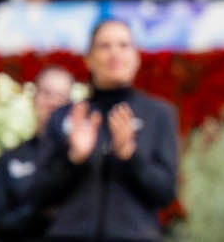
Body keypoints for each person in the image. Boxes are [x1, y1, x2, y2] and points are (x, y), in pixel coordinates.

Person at [35, 19, 178, 241]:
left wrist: (130, 156)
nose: (114, 54)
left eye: (123, 45)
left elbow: (165, 193)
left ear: (136, 57)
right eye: (104, 46)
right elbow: (39, 193)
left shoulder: (158, 114)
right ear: (89, 59)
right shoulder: (66, 116)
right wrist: (73, 158)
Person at [0, 66, 75, 241]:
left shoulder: (83, 160)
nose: (53, 102)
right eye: (47, 94)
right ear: (33, 99)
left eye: (61, 96)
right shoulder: (11, 159)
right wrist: (36, 211)